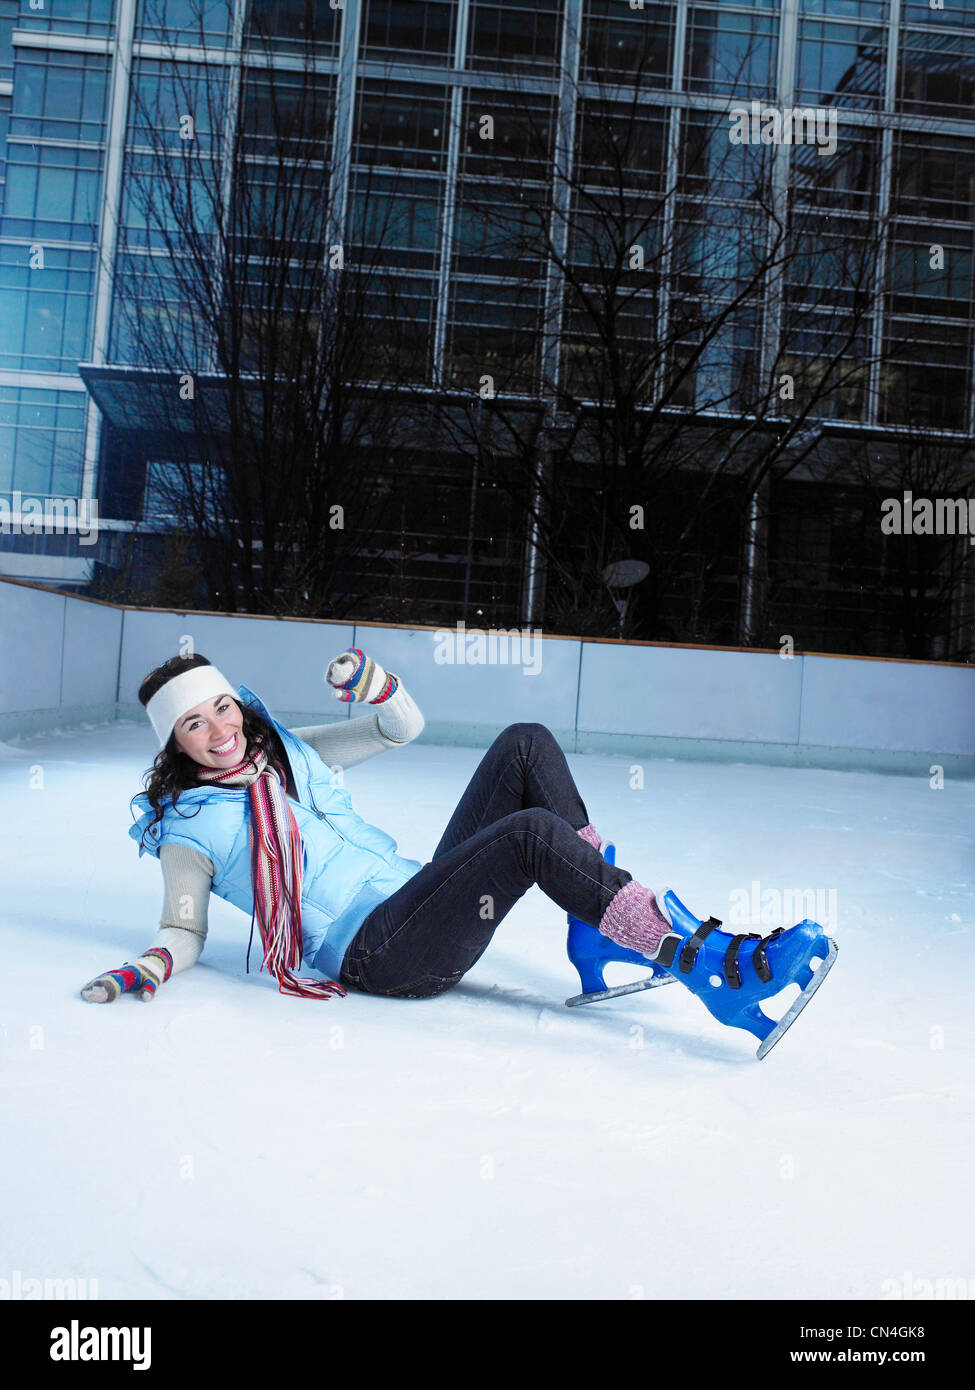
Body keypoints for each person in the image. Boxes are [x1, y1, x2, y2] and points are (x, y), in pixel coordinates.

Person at [80, 648, 674, 1005]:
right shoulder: (185, 830)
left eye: (222, 707)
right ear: (175, 745)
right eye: (193, 724)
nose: (219, 731)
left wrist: (374, 685)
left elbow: (400, 726)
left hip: (418, 897)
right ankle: (681, 951)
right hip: (380, 954)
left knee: (526, 743)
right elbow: (181, 928)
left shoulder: (289, 753)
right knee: (529, 833)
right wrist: (149, 965)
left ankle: (597, 928)